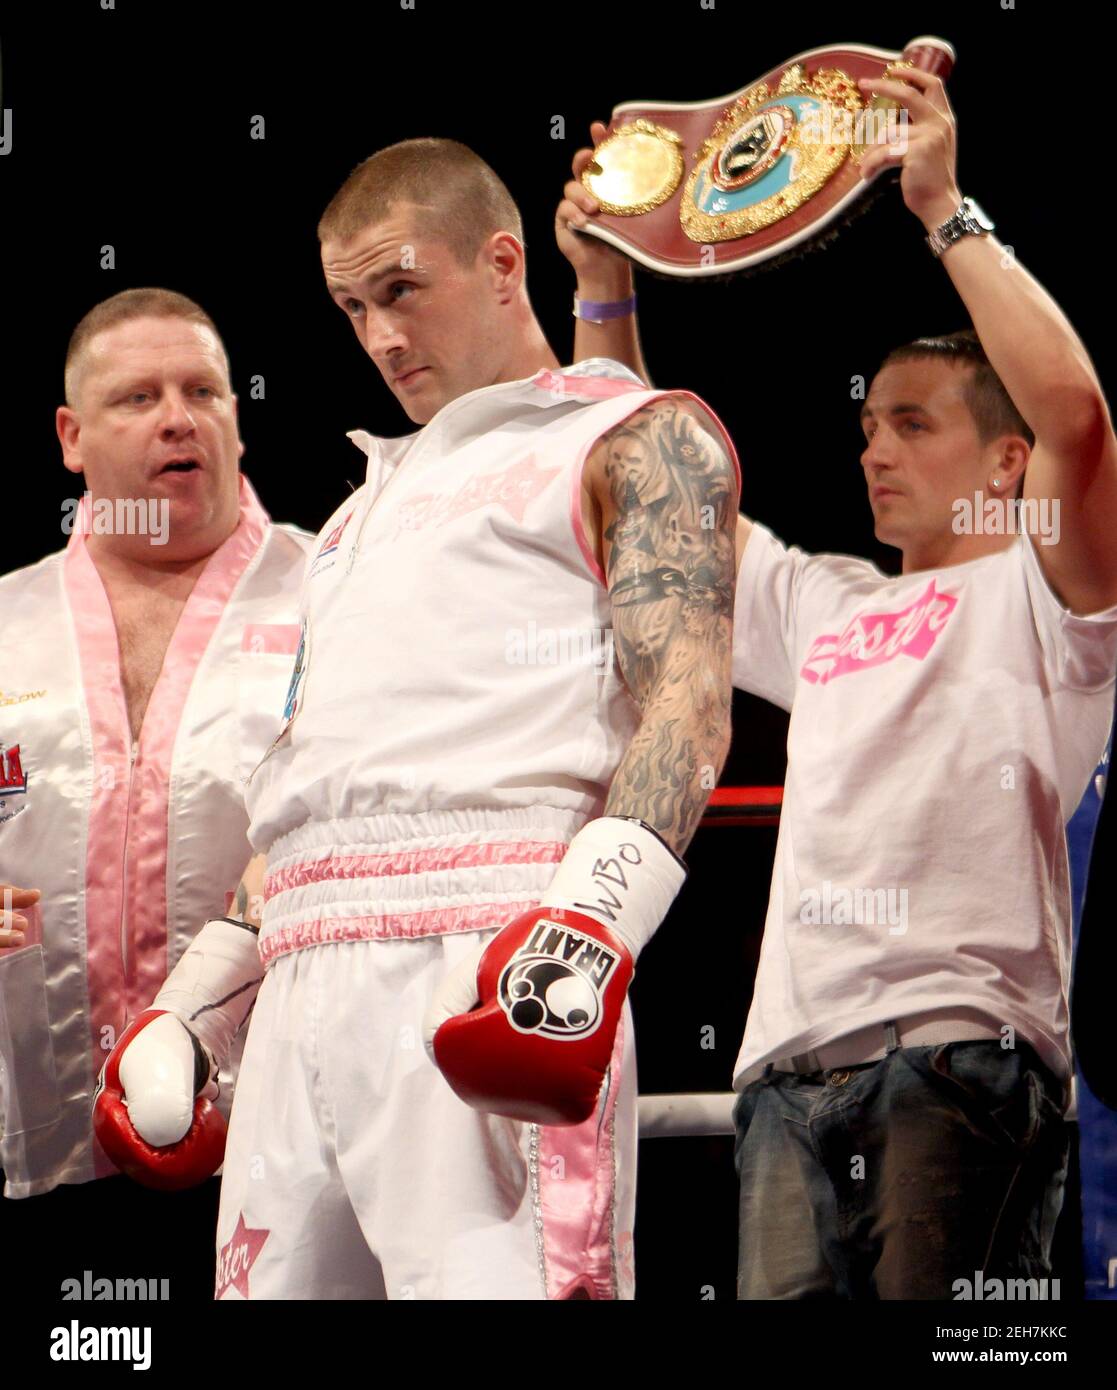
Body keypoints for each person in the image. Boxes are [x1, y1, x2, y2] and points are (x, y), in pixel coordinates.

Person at [96, 138, 741, 1300]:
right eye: (352, 306)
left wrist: (587, 935)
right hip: (299, 987)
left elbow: (688, 708)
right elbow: (312, 798)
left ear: (503, 263)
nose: (380, 335)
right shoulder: (349, 521)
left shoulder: (631, 438)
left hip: (486, 958)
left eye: (401, 289)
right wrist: (192, 1008)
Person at [557, 69, 1117, 1298]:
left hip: (959, 1060)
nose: (875, 449)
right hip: (786, 1078)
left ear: (1002, 458)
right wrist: (608, 270)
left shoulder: (1041, 596)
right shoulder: (828, 601)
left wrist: (942, 205)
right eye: (870, 429)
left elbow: (1077, 414)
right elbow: (653, 494)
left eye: (913, 425)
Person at [0, 289, 314, 1298]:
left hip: (278, 1143)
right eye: (137, 396)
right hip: (33, 1135)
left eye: (203, 391)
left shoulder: (336, 595)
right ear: (71, 436)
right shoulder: (1, 621)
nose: (178, 417)